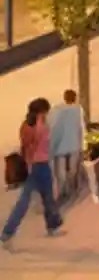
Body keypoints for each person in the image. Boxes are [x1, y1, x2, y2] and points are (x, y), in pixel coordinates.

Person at [1, 98, 64, 251]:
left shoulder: (29, 125)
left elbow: (26, 145)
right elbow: (32, 144)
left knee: (46, 197)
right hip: (37, 166)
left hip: (36, 164)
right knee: (27, 201)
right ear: (42, 111)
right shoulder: (37, 125)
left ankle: (53, 224)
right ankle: (7, 234)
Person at [48, 89, 84, 203]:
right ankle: (72, 189)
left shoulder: (56, 110)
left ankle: (63, 192)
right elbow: (81, 127)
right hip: (73, 144)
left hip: (61, 146)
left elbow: (53, 128)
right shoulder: (78, 110)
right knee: (72, 170)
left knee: (61, 172)